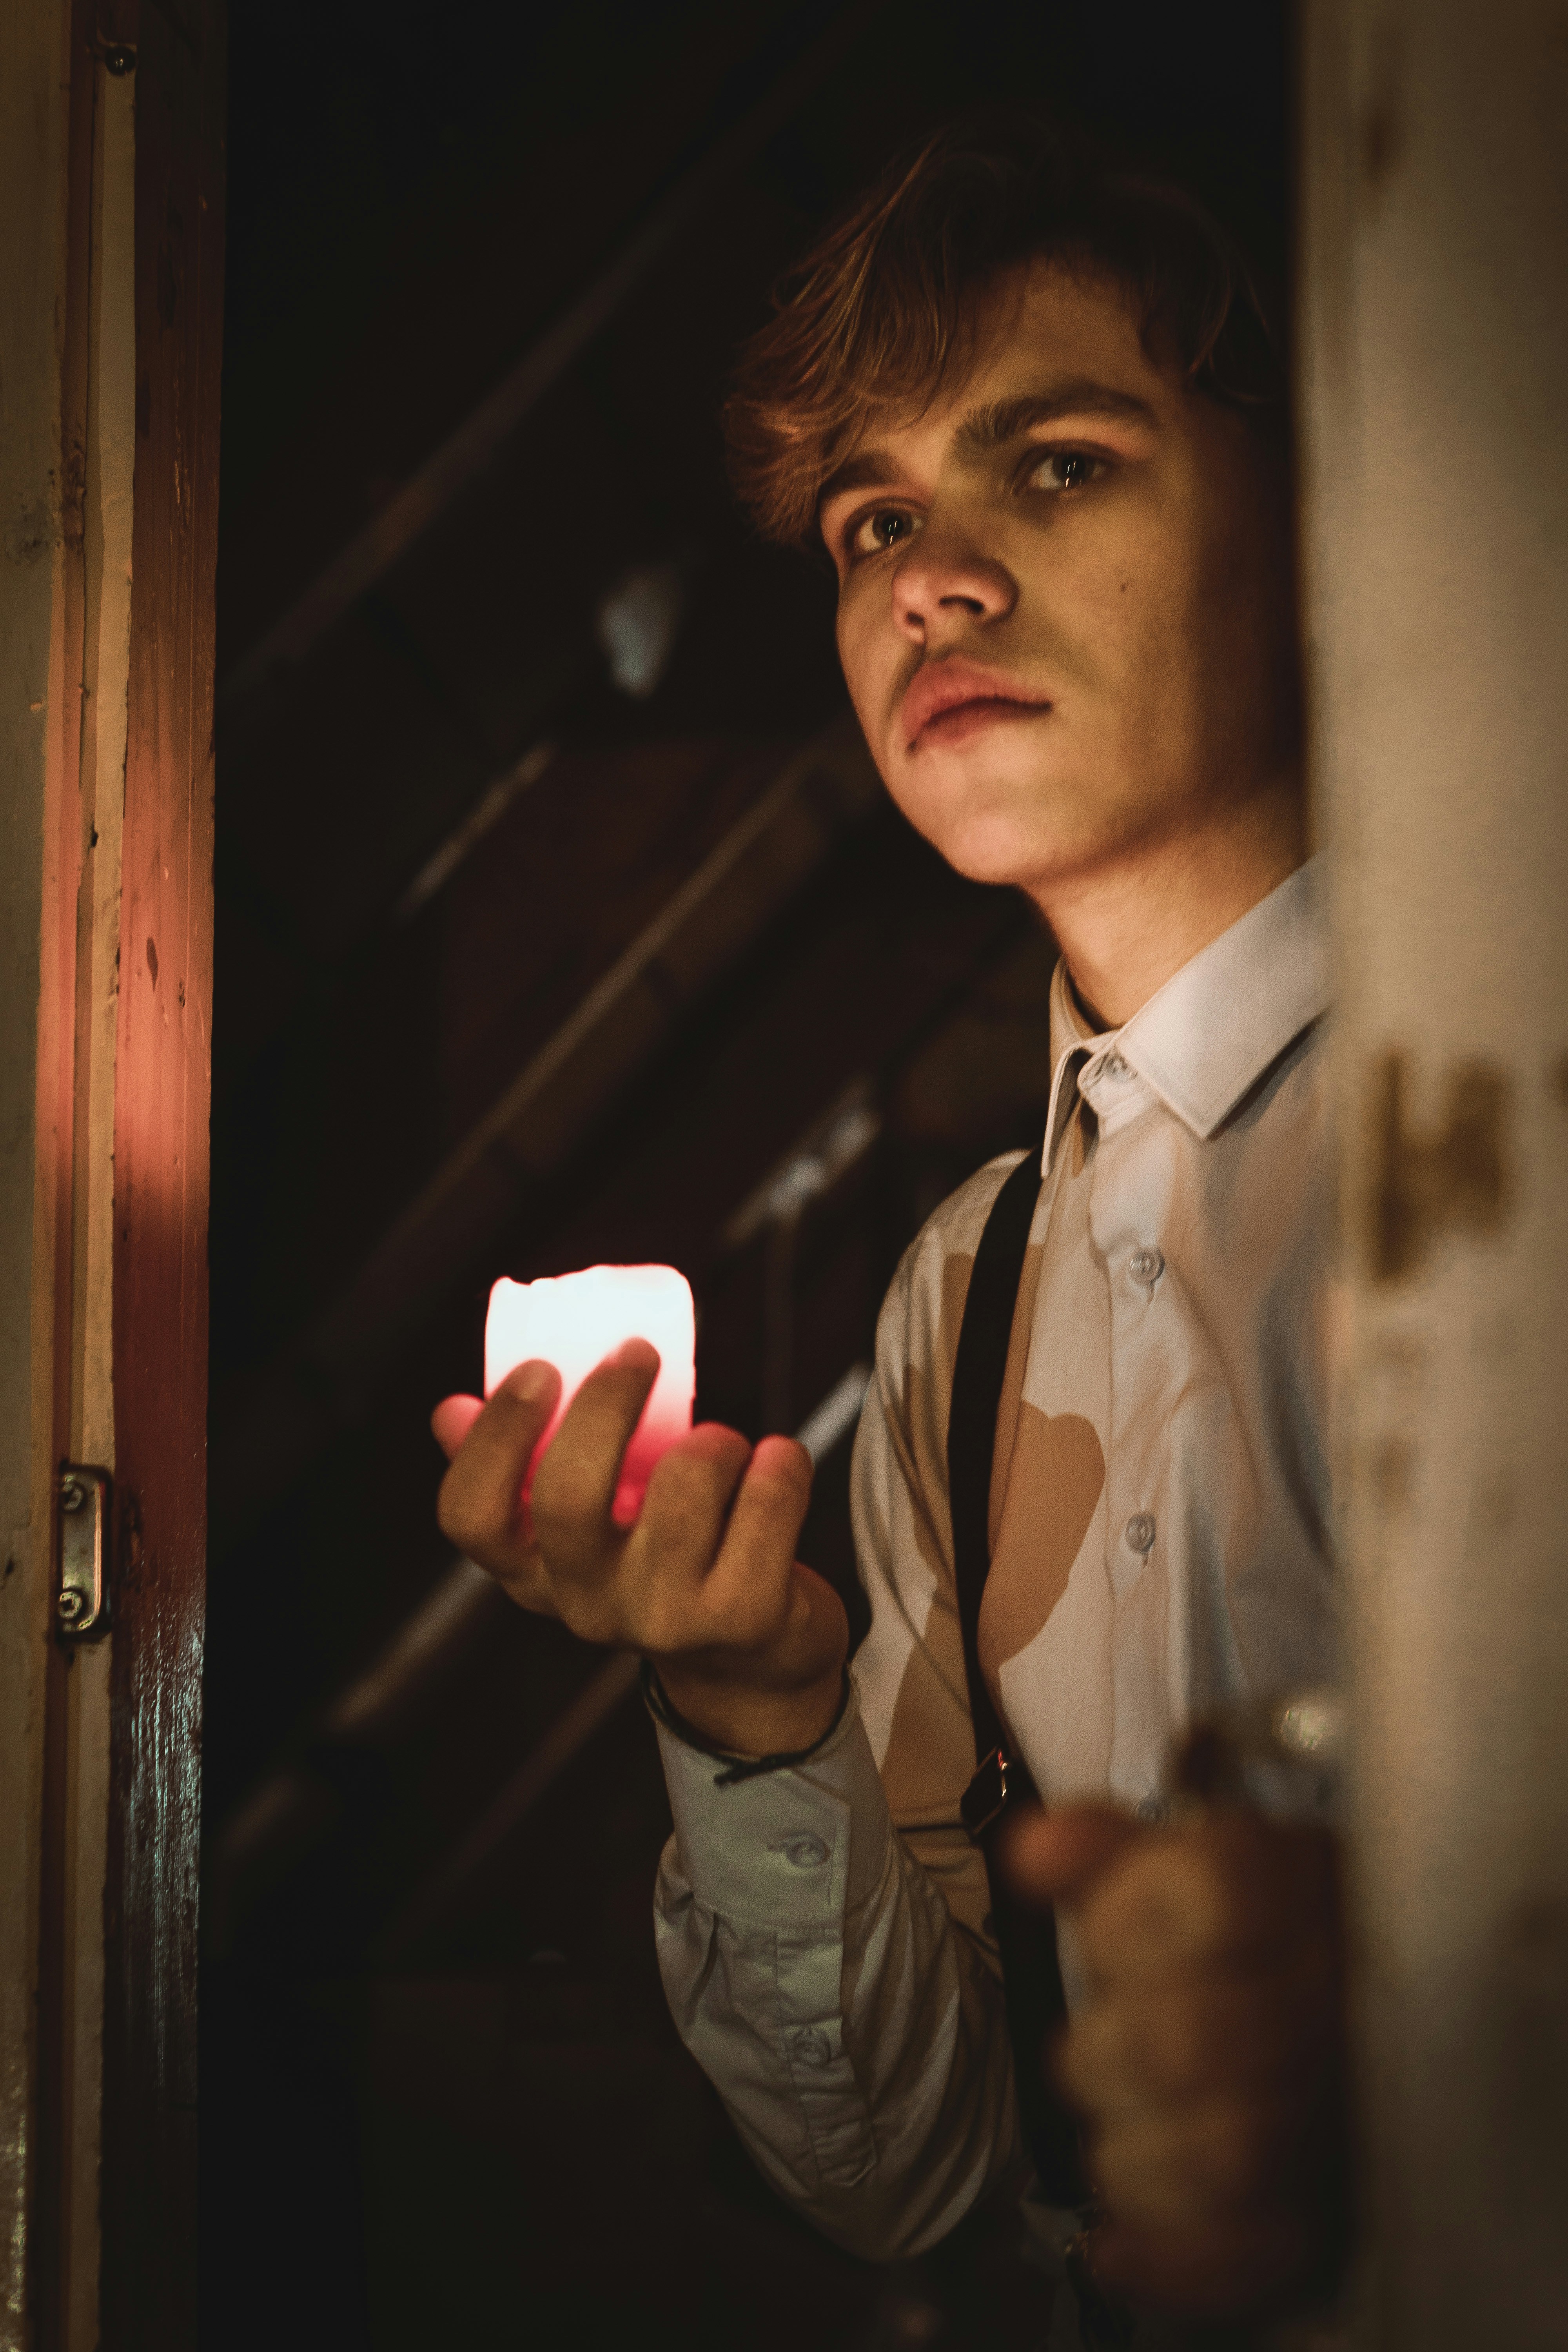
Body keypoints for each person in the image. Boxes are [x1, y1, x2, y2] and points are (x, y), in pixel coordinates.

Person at [432, 120, 1347, 2343]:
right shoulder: (969, 1288)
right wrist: (752, 1708)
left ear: (1335, 528)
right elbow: (921, 2183)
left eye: (1053, 465)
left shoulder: (1498, 1144)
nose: (928, 576)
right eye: (875, 519)